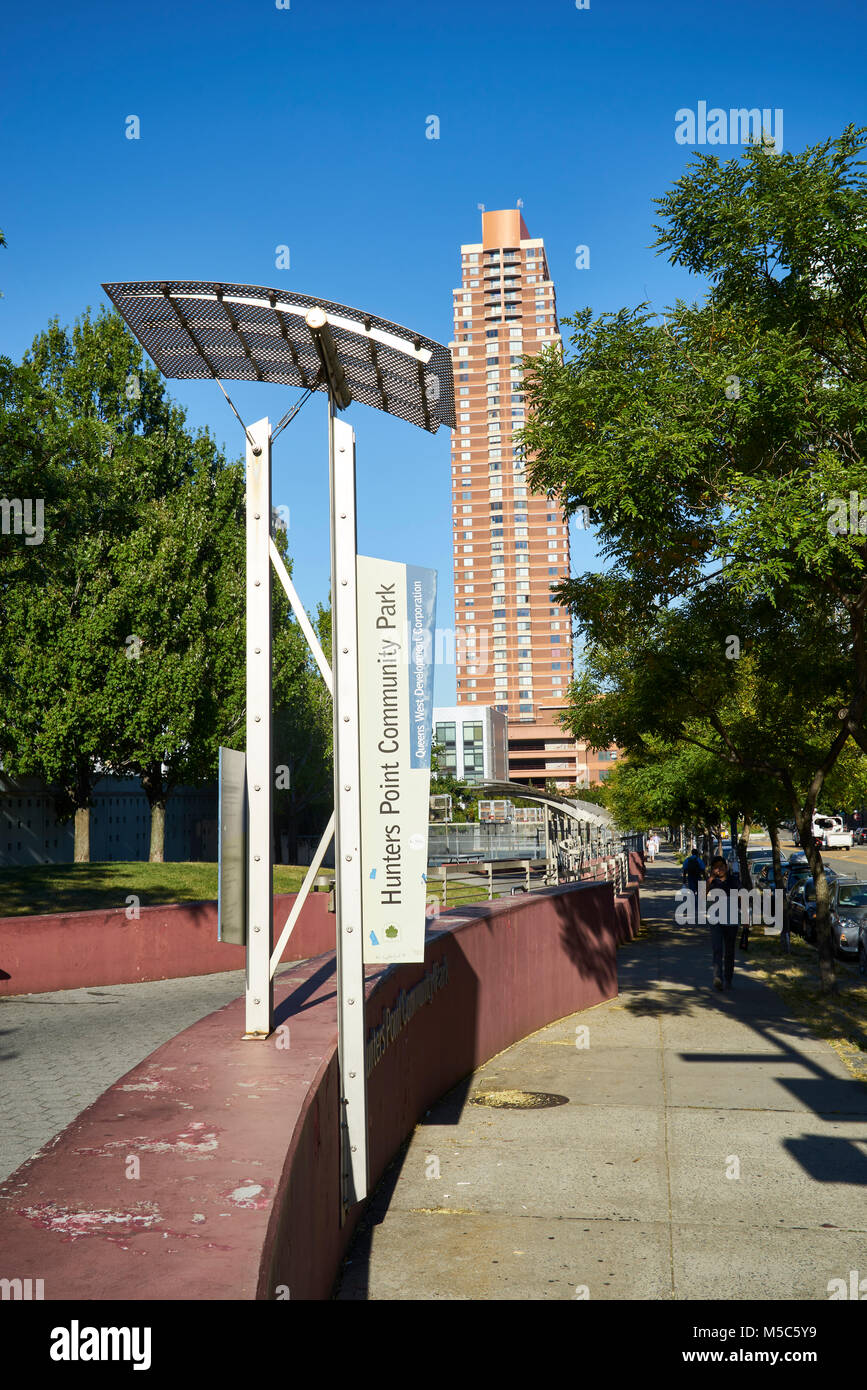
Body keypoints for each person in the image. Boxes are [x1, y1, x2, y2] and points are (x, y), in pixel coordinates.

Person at [706, 855, 739, 990]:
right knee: (717, 949)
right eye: (715, 867)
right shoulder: (712, 882)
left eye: (721, 866)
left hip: (731, 920)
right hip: (716, 920)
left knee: (729, 952)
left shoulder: (734, 880)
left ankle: (728, 978)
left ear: (726, 867)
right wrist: (711, 879)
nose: (719, 869)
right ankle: (717, 977)